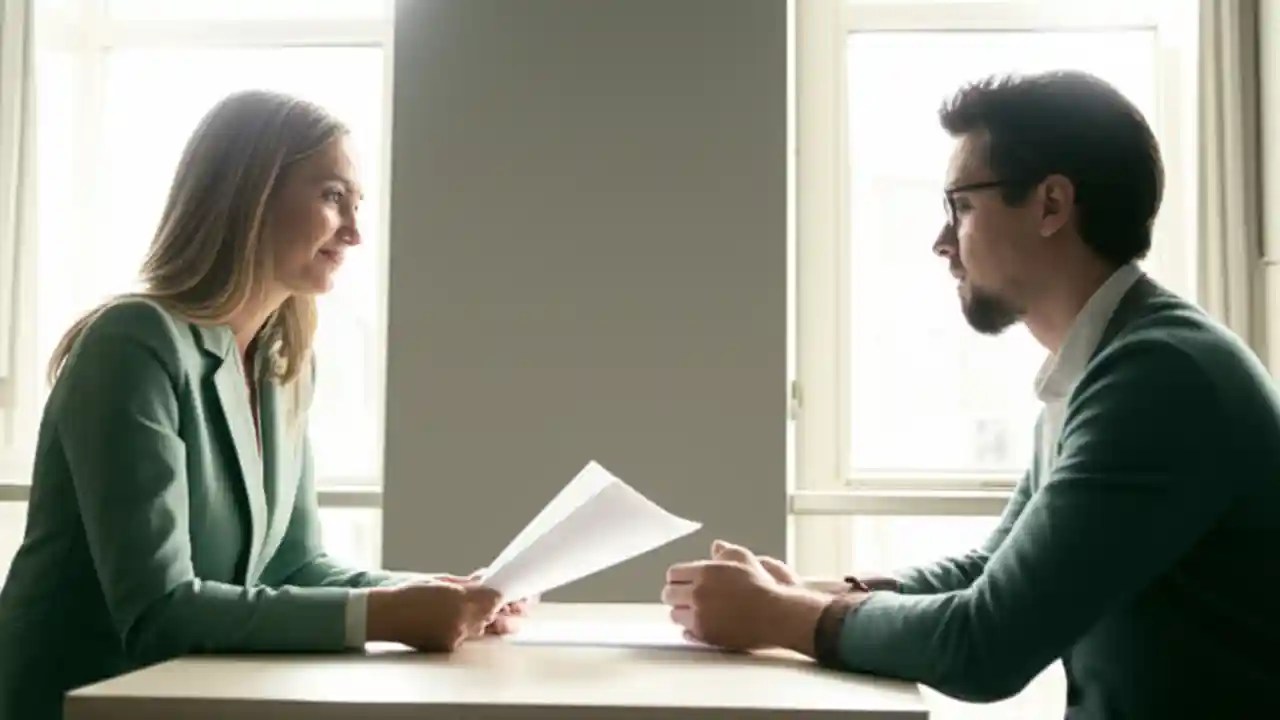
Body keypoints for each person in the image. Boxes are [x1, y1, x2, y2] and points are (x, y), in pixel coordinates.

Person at [662, 71, 1280, 719]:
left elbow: (985, 646)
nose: (941, 241)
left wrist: (783, 617)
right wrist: (809, 593)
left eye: (960, 204)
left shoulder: (1159, 379)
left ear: (1050, 205)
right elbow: (994, 569)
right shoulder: (1111, 362)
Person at [0, 91, 526, 720]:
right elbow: (158, 612)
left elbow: (295, 563)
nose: (355, 232)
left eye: (357, 204)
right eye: (333, 196)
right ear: (247, 194)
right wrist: (386, 615)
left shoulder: (281, 366)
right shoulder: (132, 343)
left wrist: (432, 595)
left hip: (191, 703)